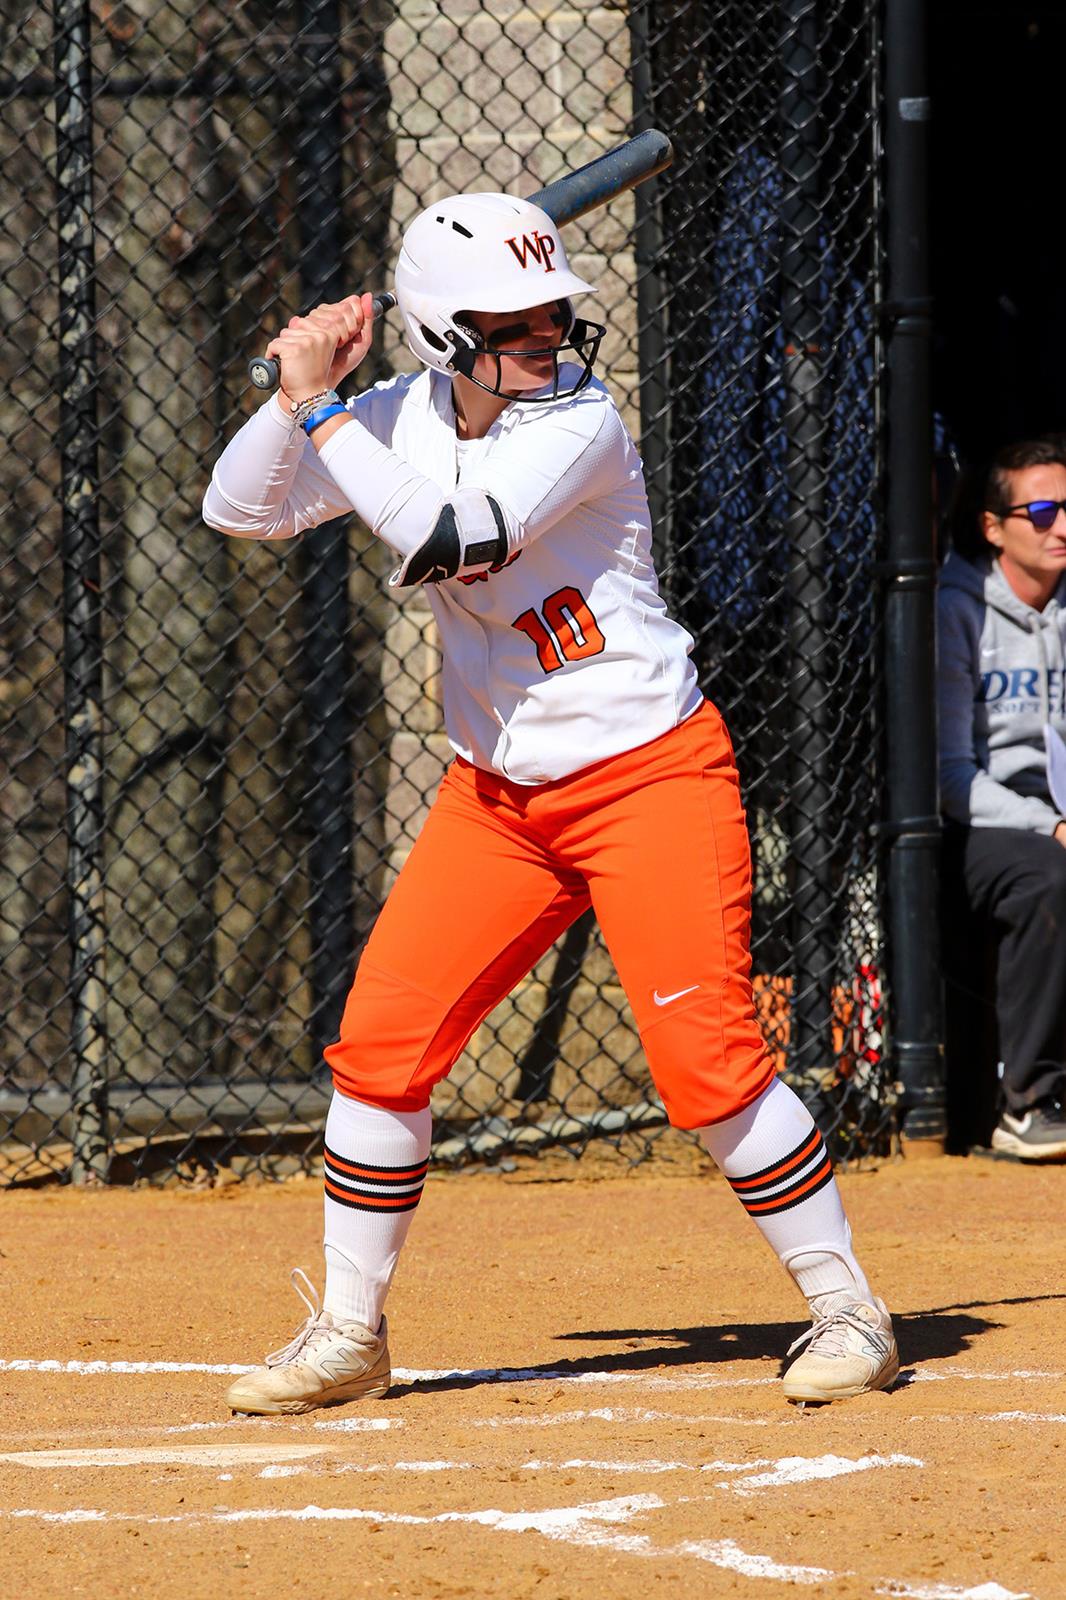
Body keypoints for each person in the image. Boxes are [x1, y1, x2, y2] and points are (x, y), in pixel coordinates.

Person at [202, 191, 897, 1412]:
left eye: (552, 316)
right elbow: (243, 509)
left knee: (705, 1063)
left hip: (646, 776)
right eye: (511, 323)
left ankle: (850, 1307)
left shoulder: (580, 422)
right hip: (500, 801)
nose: (546, 339)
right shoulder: (396, 415)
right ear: (441, 335)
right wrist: (290, 397)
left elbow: (446, 540)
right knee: (378, 1051)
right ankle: (352, 1334)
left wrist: (320, 407)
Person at [938, 436, 1066, 1160]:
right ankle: (1027, 1103)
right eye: (1043, 511)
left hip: (1055, 811)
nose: (1061, 526)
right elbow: (951, 780)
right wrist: (1050, 825)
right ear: (994, 528)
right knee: (1046, 876)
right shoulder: (957, 611)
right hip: (986, 819)